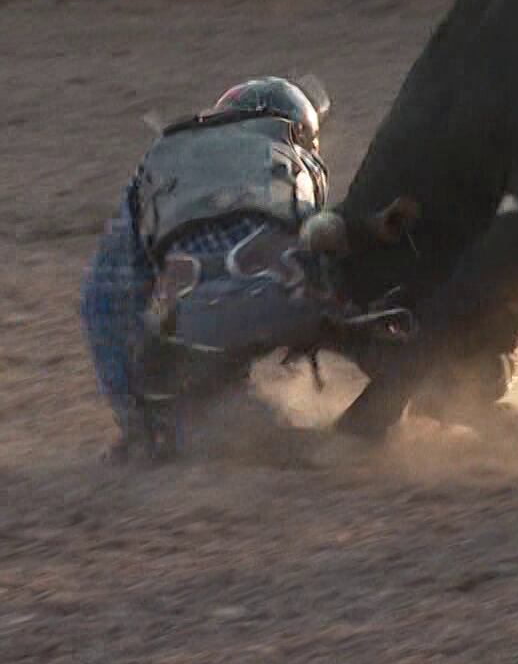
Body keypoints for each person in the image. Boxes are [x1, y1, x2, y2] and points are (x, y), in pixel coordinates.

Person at [81, 77, 350, 463]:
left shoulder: (160, 164)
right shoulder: (293, 157)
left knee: (188, 386)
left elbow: (101, 301)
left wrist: (135, 423)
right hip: (288, 306)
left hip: (189, 324)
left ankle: (186, 427)